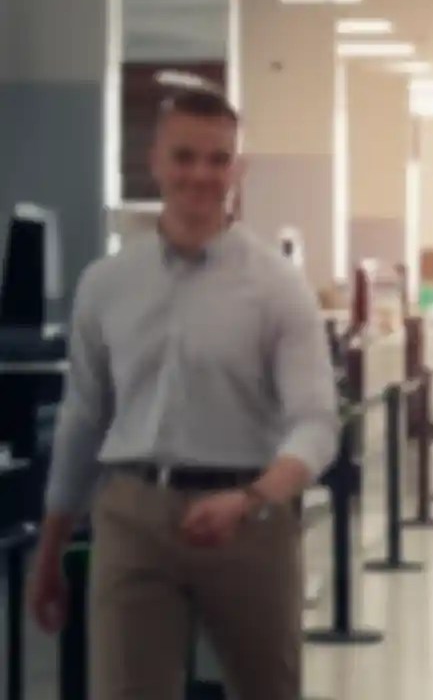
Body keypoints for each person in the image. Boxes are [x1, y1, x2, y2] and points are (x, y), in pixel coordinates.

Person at [26, 89, 338, 700]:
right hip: (133, 516)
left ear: (238, 169)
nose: (201, 175)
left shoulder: (278, 285)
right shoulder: (107, 283)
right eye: (185, 157)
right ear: (155, 162)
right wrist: (52, 544)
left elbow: (317, 423)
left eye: (218, 160)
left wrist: (252, 498)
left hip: (249, 519)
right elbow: (84, 418)